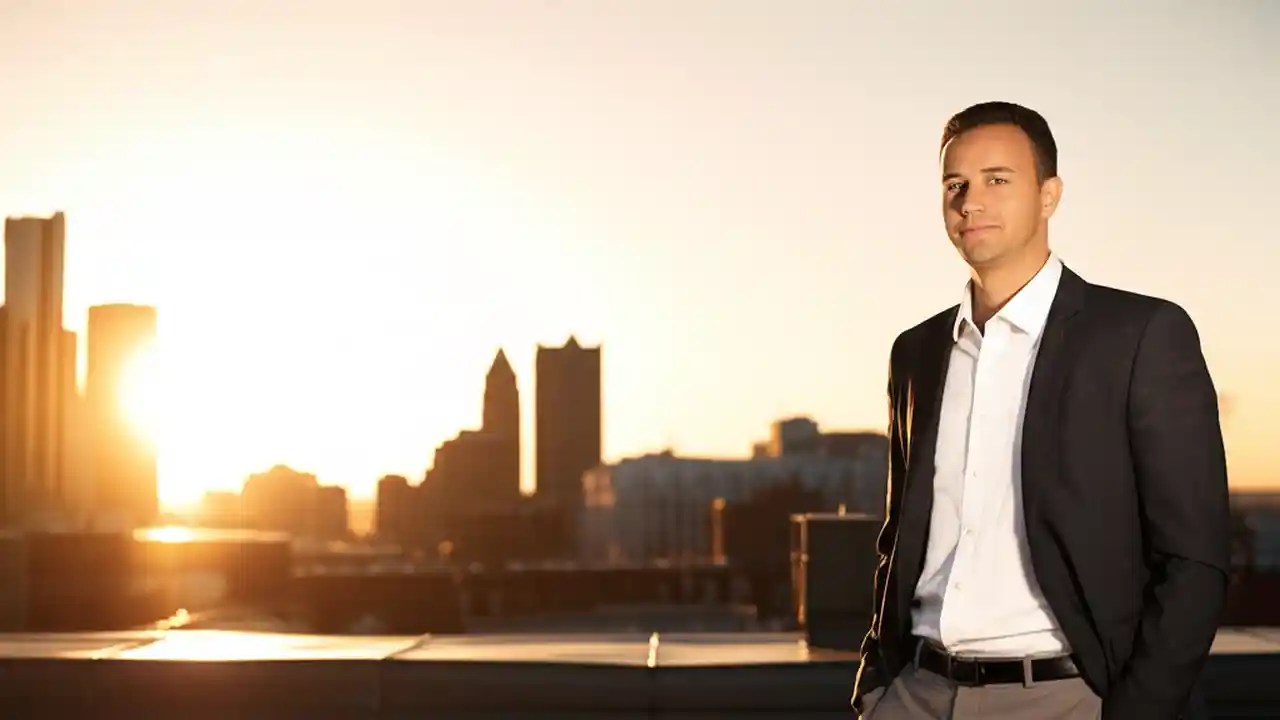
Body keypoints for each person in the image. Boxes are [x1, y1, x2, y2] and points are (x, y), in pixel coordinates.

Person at [849, 101, 1229, 719]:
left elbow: (1195, 559)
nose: (971, 202)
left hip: (1065, 698)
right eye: (955, 185)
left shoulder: (1140, 335)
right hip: (915, 694)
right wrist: (875, 688)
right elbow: (899, 539)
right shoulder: (916, 353)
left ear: (1049, 195)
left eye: (998, 180)